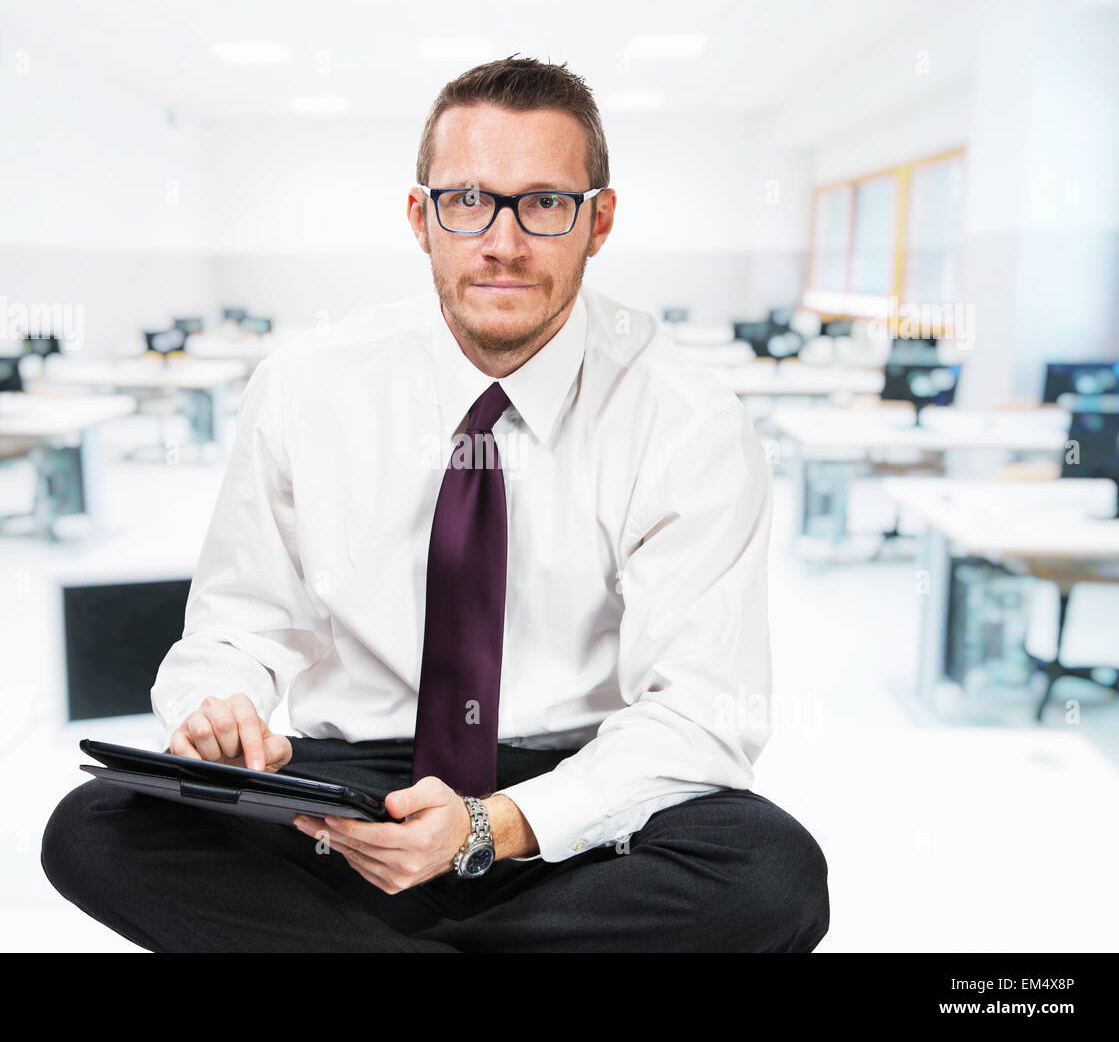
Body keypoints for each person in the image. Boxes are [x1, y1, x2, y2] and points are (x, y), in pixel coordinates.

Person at [41, 55, 830, 953]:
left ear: (598, 221)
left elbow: (698, 712)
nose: (502, 240)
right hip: (351, 788)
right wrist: (220, 704)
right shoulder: (305, 387)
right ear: (421, 218)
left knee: (771, 875)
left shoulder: (687, 418)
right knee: (96, 826)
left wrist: (493, 825)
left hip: (572, 787)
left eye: (544, 202)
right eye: (468, 200)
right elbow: (237, 625)